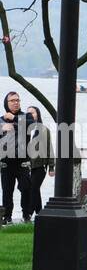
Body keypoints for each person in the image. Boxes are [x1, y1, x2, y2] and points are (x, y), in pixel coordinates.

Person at [0, 92, 30, 224]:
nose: (16, 102)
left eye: (18, 100)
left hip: (22, 162)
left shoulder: (26, 117)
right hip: (6, 162)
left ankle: (26, 215)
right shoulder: (1, 120)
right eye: (12, 100)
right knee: (7, 191)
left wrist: (13, 118)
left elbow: (31, 125)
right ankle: (7, 217)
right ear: (6, 103)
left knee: (25, 188)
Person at [23, 107, 52, 219]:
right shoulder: (24, 129)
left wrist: (51, 167)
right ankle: (39, 213)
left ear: (37, 114)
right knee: (35, 189)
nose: (29, 114)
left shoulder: (44, 130)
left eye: (32, 112)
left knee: (33, 188)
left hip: (40, 165)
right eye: (28, 112)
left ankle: (29, 213)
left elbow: (50, 148)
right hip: (27, 166)